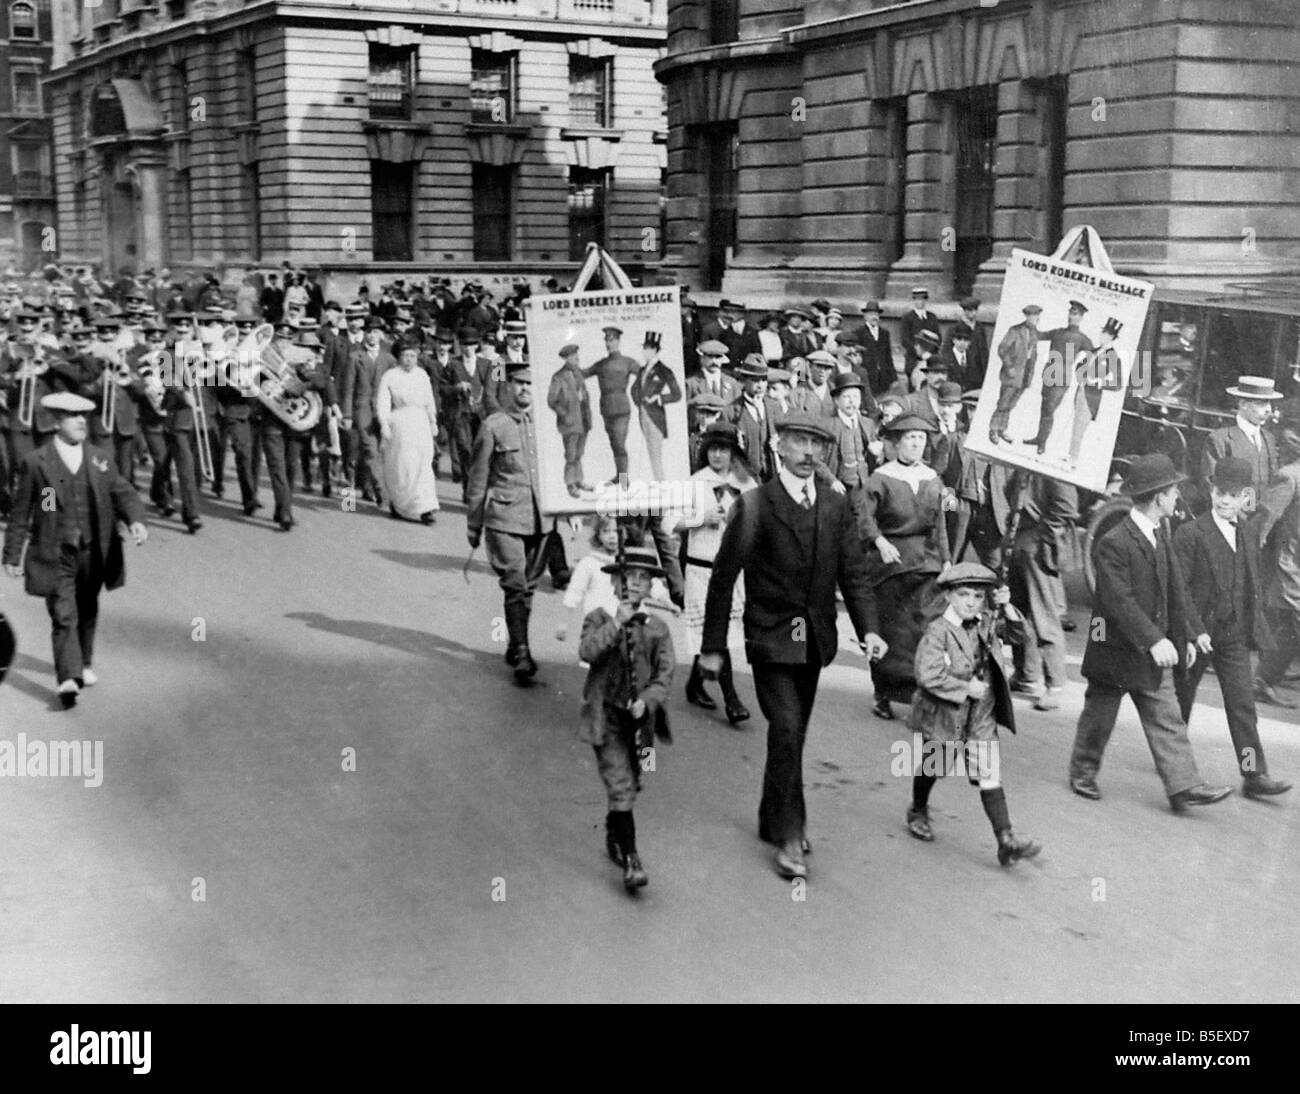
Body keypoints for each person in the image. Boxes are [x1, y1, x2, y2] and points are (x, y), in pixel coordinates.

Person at [700, 411, 887, 881]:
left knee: (793, 733)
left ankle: (770, 811)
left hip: (814, 641)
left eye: (817, 445)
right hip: (768, 637)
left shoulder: (835, 505)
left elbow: (854, 575)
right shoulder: (756, 505)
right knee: (785, 727)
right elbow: (723, 579)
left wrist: (869, 630)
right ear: (778, 446)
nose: (809, 453)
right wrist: (712, 647)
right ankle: (790, 832)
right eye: (799, 442)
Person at [1067, 454, 1234, 810]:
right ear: (1159, 497)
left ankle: (1183, 785)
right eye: (1173, 492)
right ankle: (1083, 771)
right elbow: (1118, 601)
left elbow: (1177, 590)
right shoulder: (1114, 541)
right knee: (1100, 717)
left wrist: (1190, 633)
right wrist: (1155, 639)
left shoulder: (1161, 535)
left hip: (1152, 649)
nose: (1177, 498)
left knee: (1167, 717)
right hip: (1115, 649)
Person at [2, 392, 148, 708]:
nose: (82, 421)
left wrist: (135, 520)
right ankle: (68, 678)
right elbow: (22, 512)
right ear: (57, 421)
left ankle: (83, 662)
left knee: (88, 608)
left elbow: (123, 493)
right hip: (55, 552)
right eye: (72, 416)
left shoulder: (99, 459)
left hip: (94, 549)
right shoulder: (36, 462)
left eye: (84, 416)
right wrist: (12, 554)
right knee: (63, 613)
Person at [906, 563, 1042, 866]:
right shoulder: (938, 631)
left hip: (981, 713)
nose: (970, 602)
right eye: (964, 594)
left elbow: (1023, 636)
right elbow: (927, 675)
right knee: (936, 765)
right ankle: (918, 808)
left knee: (989, 774)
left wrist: (1007, 608)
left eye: (978, 596)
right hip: (946, 713)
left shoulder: (987, 623)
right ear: (950, 595)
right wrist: (965, 687)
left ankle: (1005, 839)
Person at [1173, 457, 1291, 799]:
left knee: (1242, 706)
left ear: (1246, 498)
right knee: (1181, 700)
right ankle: (1175, 764)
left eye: (1233, 494)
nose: (1224, 500)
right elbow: (1178, 590)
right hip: (1198, 637)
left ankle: (1255, 774)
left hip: (1233, 636)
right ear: (1211, 491)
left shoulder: (1247, 535)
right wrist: (1194, 632)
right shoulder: (1190, 534)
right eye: (1219, 492)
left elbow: (1249, 584)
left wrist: (1252, 627)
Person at [577, 545, 675, 894]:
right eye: (627, 577)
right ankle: (632, 859)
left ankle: (614, 829)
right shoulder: (600, 619)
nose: (634, 584)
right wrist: (617, 622)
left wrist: (647, 702)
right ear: (615, 584)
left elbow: (664, 675)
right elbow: (587, 651)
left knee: (632, 782)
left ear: (651, 587)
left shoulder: (658, 629)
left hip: (638, 723)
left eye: (642, 578)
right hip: (606, 718)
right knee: (620, 785)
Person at [863, 414, 952, 720]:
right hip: (891, 564)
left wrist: (948, 559)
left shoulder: (933, 478)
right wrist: (879, 542)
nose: (916, 443)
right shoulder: (880, 478)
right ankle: (883, 693)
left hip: (927, 562)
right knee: (891, 631)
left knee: (925, 629)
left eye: (921, 438)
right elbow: (864, 518)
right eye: (911, 438)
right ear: (897, 442)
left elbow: (940, 523)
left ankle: (920, 692)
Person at [672, 420, 756, 724]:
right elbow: (671, 523)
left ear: (734, 452)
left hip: (732, 572)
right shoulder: (695, 482)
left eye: (724, 449)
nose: (717, 456)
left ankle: (695, 684)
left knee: (713, 633)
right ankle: (732, 699)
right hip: (701, 568)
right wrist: (700, 517)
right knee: (714, 633)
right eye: (712, 449)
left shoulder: (746, 483)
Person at [466, 367, 545, 682]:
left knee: (530, 587)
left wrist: (570, 513)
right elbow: (478, 478)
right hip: (505, 518)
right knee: (515, 582)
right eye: (519, 383)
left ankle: (515, 642)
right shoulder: (493, 426)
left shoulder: (546, 426)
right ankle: (523, 654)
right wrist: (474, 523)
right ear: (509, 386)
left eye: (530, 383)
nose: (525, 389)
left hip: (542, 520)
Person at [1254, 403, 1300, 707]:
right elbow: (1265, 519)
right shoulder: (1290, 476)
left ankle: (1266, 677)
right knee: (1296, 622)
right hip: (1291, 561)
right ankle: (1263, 679)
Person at [377, 338, 439, 524]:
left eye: (413, 356)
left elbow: (429, 399)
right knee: (403, 465)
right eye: (405, 356)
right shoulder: (390, 376)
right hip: (401, 423)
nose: (409, 360)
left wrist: (433, 420)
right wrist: (384, 424)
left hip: (421, 422)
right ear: (399, 357)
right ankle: (399, 504)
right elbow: (383, 403)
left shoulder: (422, 375)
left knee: (424, 464)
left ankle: (425, 507)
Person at [1200, 375, 1282, 514]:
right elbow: (1211, 487)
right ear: (1243, 404)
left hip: (1263, 523)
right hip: (1234, 520)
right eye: (1261, 403)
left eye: (1269, 403)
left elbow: (1275, 483)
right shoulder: (1220, 439)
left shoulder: (1269, 439)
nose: (1268, 409)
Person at [1031, 300, 1095, 455]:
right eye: (1070, 312)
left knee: (1049, 410)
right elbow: (1039, 335)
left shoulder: (1082, 338)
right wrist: (1032, 322)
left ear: (1080, 317)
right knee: (1044, 408)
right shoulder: (1058, 332)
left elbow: (1093, 354)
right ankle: (1039, 438)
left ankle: (1042, 443)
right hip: (1048, 375)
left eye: (1075, 314)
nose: (1071, 316)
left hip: (1061, 379)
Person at [582, 325, 638, 480]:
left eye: (611, 340)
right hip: (606, 409)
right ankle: (620, 475)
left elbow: (645, 376)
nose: (608, 343)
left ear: (618, 341)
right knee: (614, 443)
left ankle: (624, 480)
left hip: (621, 409)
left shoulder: (628, 362)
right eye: (606, 340)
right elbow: (584, 374)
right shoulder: (601, 364)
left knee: (619, 443)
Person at [629, 330, 681, 481]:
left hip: (655, 417)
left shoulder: (664, 370)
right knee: (643, 452)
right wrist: (640, 401)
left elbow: (677, 394)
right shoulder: (642, 369)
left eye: (648, 348)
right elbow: (634, 389)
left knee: (655, 453)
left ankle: (661, 484)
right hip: (642, 414)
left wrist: (658, 398)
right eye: (644, 348)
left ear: (655, 350)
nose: (645, 352)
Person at [988, 304, 1042, 445]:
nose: (1036, 318)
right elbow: (1002, 349)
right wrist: (1009, 367)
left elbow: (1033, 354)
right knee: (1003, 403)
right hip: (1012, 375)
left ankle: (1002, 429)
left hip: (1025, 376)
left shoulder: (1035, 332)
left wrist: (1030, 375)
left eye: (1037, 315)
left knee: (1011, 404)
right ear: (1027, 316)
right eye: (1033, 315)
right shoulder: (1015, 330)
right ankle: (993, 429)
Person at [547, 343, 593, 498]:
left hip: (583, 421)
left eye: (577, 355)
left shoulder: (579, 373)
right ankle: (570, 484)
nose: (577, 358)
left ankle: (579, 480)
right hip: (570, 423)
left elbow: (584, 393)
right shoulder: (558, 376)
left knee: (579, 453)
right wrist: (564, 415)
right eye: (573, 356)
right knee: (571, 455)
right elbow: (552, 400)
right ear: (566, 359)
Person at [729, 356, 773, 481]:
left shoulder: (774, 407)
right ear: (744, 381)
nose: (760, 385)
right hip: (745, 479)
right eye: (755, 380)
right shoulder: (731, 411)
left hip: (771, 477)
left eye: (763, 380)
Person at [855, 299, 894, 396]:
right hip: (867, 376)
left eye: (876, 314)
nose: (874, 317)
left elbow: (888, 356)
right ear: (865, 316)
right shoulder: (859, 333)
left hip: (883, 377)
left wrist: (893, 377)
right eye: (871, 314)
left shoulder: (884, 333)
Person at [900, 287, 941, 374]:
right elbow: (905, 339)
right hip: (913, 359)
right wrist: (919, 353)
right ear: (914, 300)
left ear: (926, 300)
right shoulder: (907, 318)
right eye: (918, 299)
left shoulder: (932, 317)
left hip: (930, 359)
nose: (920, 302)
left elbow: (938, 338)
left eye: (923, 299)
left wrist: (929, 353)